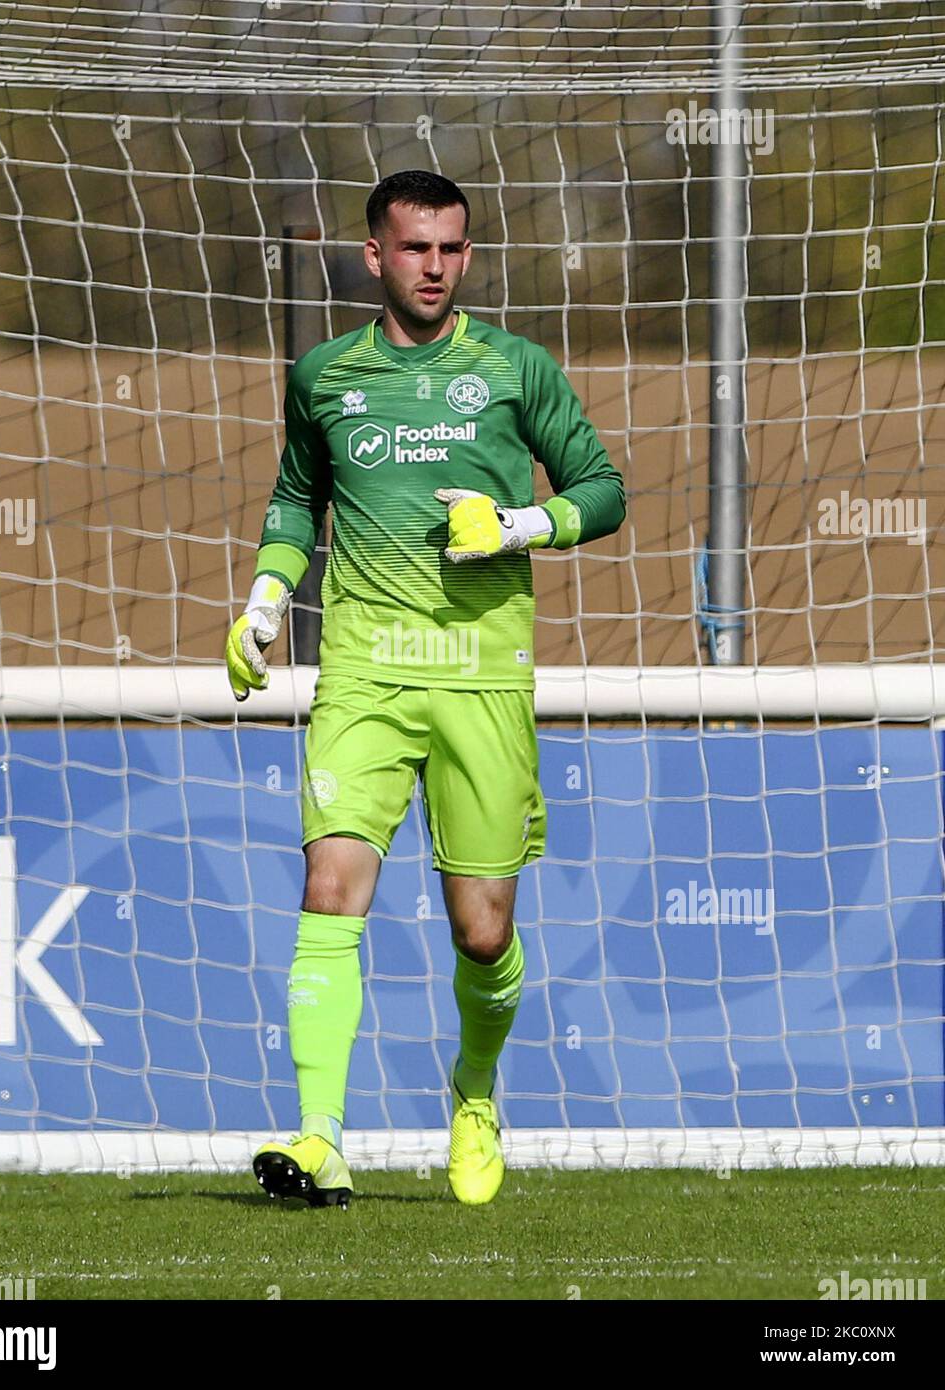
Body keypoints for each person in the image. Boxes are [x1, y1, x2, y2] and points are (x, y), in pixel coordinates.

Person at [226, 169, 625, 1207]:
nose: (435, 266)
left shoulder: (511, 368)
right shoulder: (321, 375)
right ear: (374, 256)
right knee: (328, 892)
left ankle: (475, 1089)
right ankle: (319, 1138)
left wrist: (520, 523)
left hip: (481, 679)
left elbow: (603, 489)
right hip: (362, 672)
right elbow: (293, 500)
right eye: (414, 248)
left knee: (481, 931)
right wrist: (265, 603)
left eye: (451, 248)